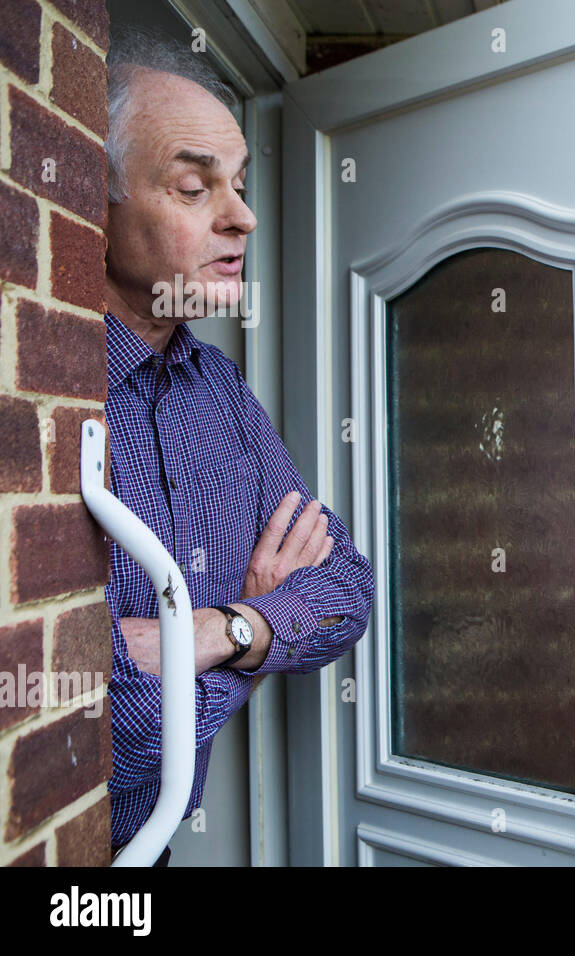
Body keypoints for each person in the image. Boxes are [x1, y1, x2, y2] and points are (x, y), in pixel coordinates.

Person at [102, 28, 375, 861]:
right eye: (195, 187)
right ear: (93, 204)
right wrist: (262, 636)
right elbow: (105, 736)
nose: (245, 216)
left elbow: (347, 587)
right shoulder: (29, 404)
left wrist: (219, 632)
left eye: (242, 185)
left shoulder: (218, 386)